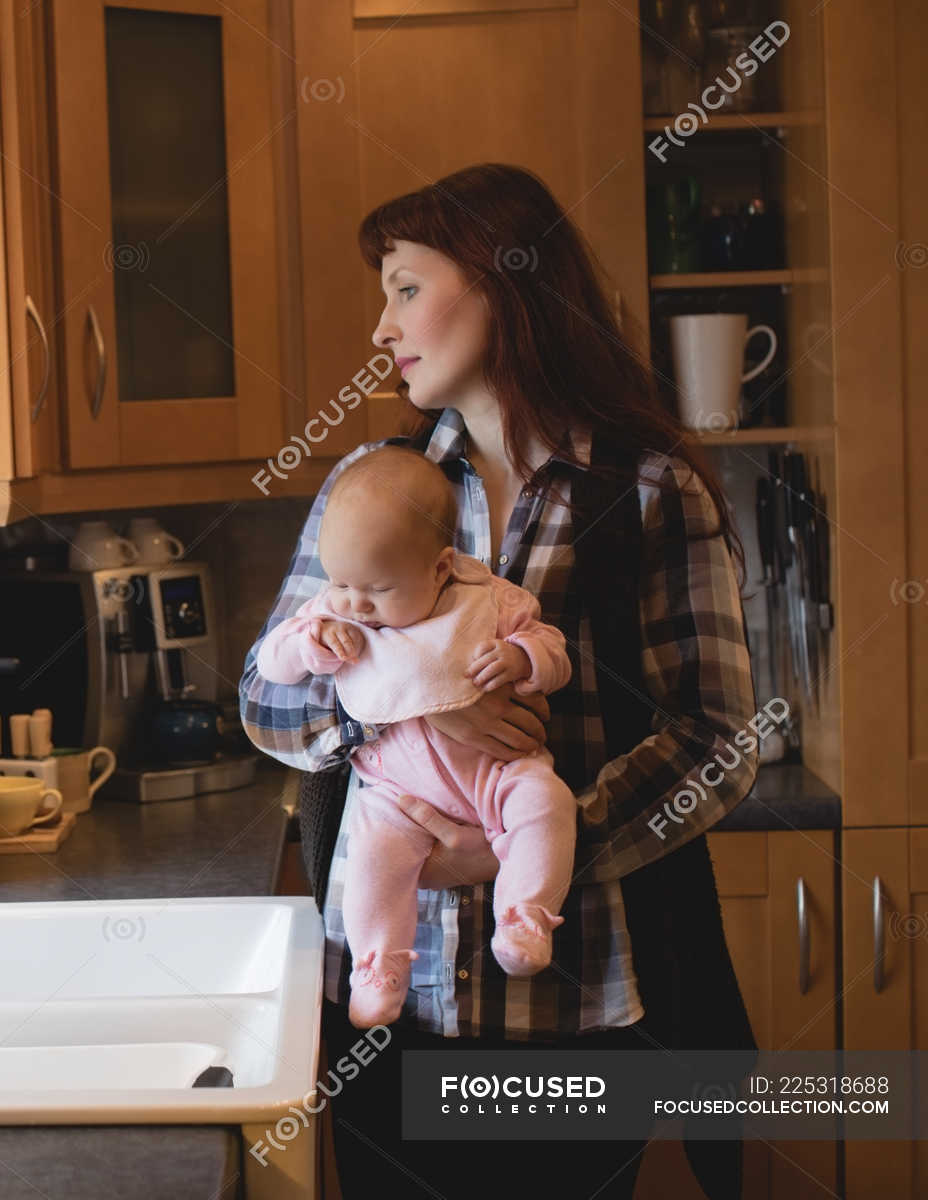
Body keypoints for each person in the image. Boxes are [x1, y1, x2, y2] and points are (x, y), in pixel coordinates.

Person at [239, 163, 758, 1198]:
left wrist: (528, 851)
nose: (382, 330)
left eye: (404, 288)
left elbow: (717, 740)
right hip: (394, 1004)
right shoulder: (366, 490)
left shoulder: (649, 492)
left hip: (574, 1005)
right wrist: (416, 697)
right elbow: (266, 702)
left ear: (503, 284)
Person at [255, 446, 577, 1028]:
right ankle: (378, 969)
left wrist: (519, 657)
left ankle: (525, 916)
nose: (357, 604)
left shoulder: (489, 603)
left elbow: (555, 653)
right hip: (395, 792)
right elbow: (268, 671)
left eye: (377, 589)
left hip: (496, 775)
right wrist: (311, 644)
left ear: (439, 568)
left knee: (547, 802)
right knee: (374, 864)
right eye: (343, 583)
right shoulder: (338, 609)